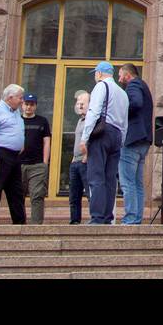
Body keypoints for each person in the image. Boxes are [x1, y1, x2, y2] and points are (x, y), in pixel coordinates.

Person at [81, 62, 128, 225]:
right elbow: (125, 121)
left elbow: (93, 112)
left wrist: (84, 137)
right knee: (110, 178)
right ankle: (108, 216)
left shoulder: (101, 87)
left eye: (95, 73)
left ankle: (97, 217)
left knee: (96, 176)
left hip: (101, 133)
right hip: (116, 135)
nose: (95, 76)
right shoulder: (122, 93)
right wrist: (121, 140)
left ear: (100, 73)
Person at [0, 84, 27, 225]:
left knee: (17, 192)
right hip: (0, 154)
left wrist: (20, 144)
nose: (22, 101)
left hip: (14, 156)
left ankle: (19, 223)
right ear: (10, 97)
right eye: (20, 98)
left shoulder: (15, 112)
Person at [117, 63, 154, 225]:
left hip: (132, 139)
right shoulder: (144, 85)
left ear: (127, 75)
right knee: (137, 182)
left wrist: (120, 110)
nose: (119, 79)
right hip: (144, 140)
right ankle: (136, 217)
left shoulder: (133, 85)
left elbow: (136, 103)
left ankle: (131, 218)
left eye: (120, 75)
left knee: (128, 182)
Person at [19, 93, 51, 224]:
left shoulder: (42, 121)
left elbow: (47, 142)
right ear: (22, 105)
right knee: (17, 196)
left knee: (37, 196)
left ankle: (36, 226)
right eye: (26, 104)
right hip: (18, 165)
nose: (28, 107)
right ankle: (19, 224)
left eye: (31, 105)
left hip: (37, 165)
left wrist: (45, 162)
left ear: (35, 106)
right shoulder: (16, 120)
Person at [69, 90, 90, 225]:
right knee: (74, 195)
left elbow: (92, 139)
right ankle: (74, 220)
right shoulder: (79, 120)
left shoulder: (91, 120)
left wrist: (86, 156)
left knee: (89, 192)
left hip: (85, 161)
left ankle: (94, 218)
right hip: (75, 161)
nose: (79, 106)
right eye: (78, 103)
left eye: (82, 103)